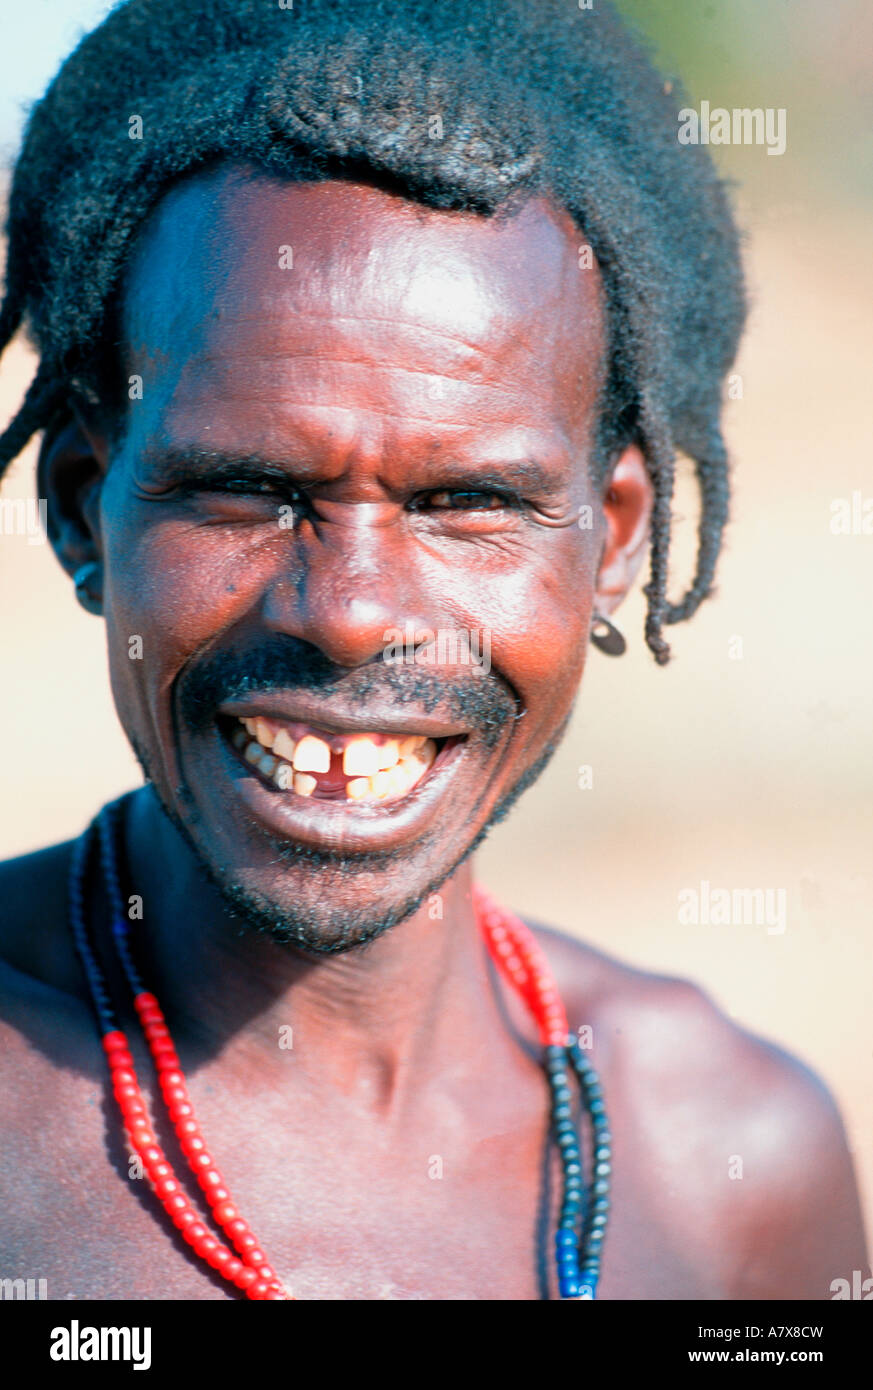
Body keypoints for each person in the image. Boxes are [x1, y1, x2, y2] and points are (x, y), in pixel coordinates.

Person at [0, 0, 866, 1301]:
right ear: (81, 504)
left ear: (612, 538)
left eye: (467, 501)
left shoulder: (733, 1159)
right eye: (245, 487)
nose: (349, 610)